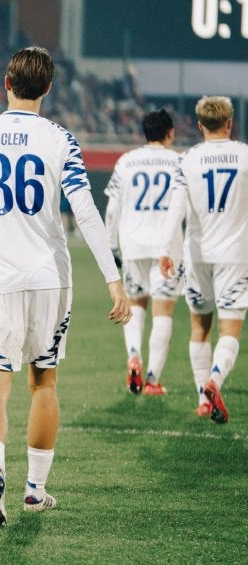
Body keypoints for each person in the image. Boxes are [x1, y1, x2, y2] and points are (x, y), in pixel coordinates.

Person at [0, 46, 130, 526]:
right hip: (49, 279)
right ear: (48, 88)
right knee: (43, 382)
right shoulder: (60, 139)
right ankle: (35, 490)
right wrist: (114, 278)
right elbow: (84, 211)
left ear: (6, 83)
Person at [159, 95, 248, 424]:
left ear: (199, 126)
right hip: (236, 257)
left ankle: (202, 397)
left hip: (197, 257)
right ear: (230, 124)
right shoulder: (244, 156)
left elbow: (175, 210)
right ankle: (216, 379)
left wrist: (167, 250)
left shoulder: (187, 160)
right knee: (230, 330)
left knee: (200, 327)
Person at [104, 109, 183, 396]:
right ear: (170, 133)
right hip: (167, 249)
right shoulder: (178, 161)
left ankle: (134, 354)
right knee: (163, 312)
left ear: (144, 133)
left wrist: (111, 246)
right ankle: (152, 379)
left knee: (135, 306)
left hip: (133, 245)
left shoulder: (127, 161)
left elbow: (112, 210)